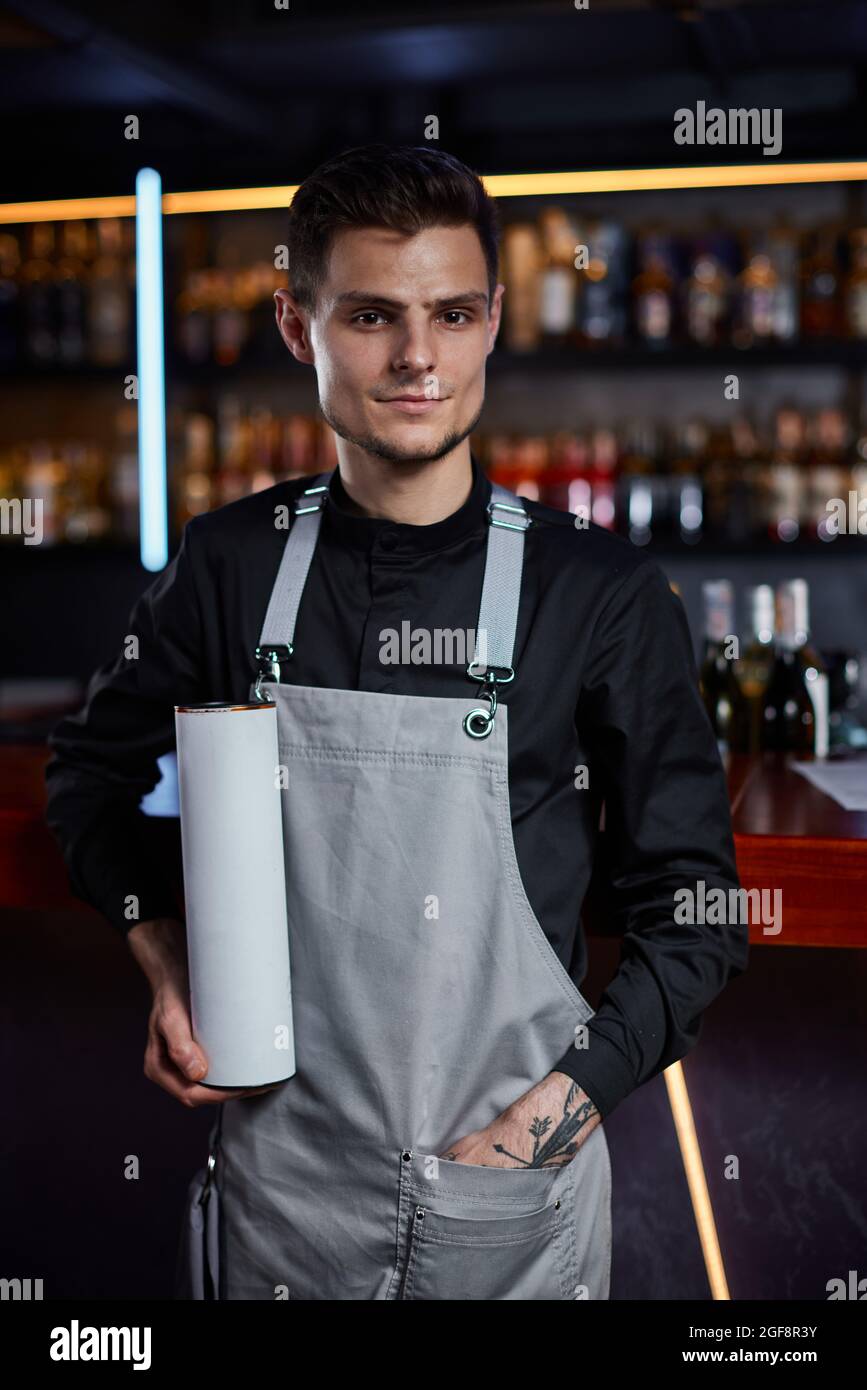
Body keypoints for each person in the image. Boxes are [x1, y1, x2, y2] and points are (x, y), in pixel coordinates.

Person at [45, 143, 748, 1301]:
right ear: (295, 324)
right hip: (284, 1196)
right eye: (372, 315)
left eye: (454, 314)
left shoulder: (603, 594)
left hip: (513, 1203)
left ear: (493, 321)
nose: (419, 357)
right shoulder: (226, 569)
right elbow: (86, 778)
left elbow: (698, 917)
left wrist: (536, 1129)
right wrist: (165, 962)